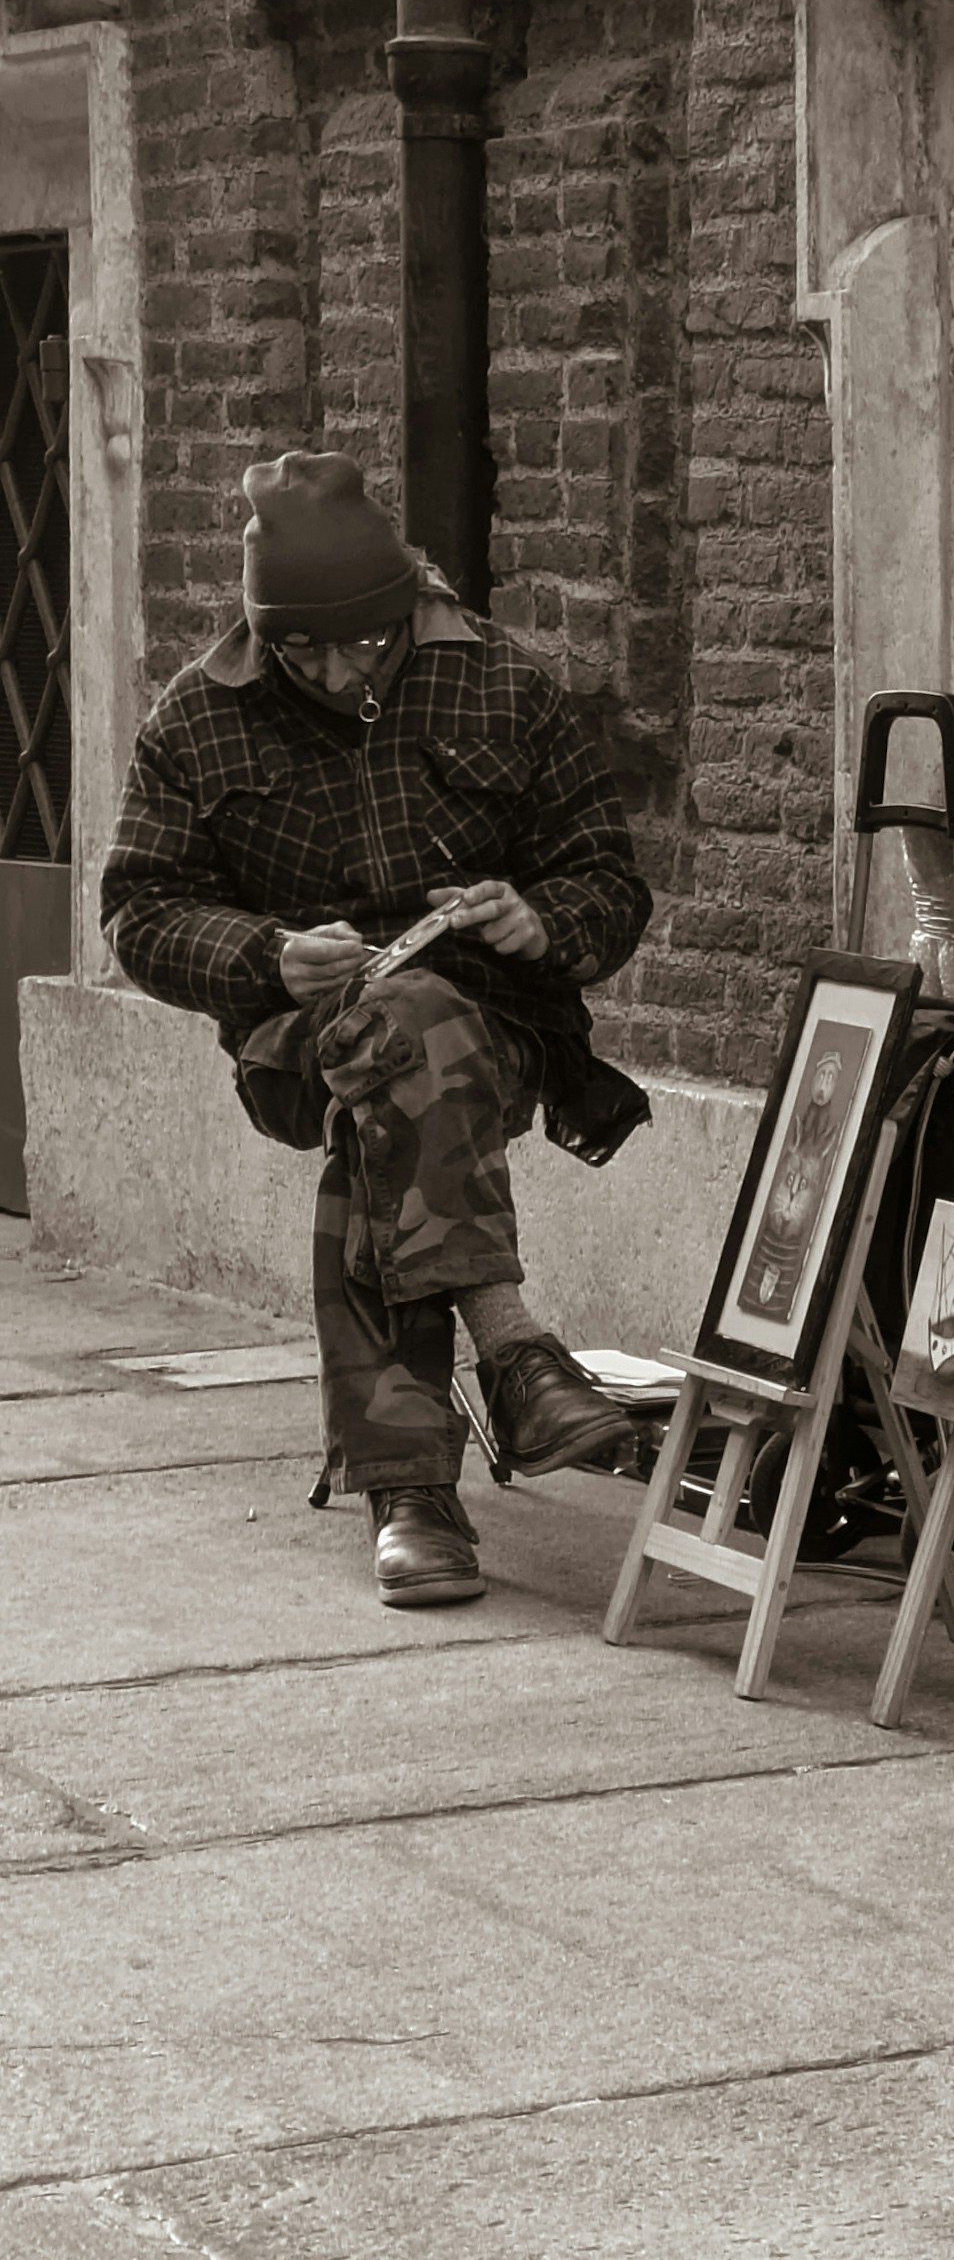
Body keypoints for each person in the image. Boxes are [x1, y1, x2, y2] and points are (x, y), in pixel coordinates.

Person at [100, 453, 654, 1611]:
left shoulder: (502, 681)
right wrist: (266, 957)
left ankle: (410, 1495)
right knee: (383, 1046)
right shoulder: (197, 717)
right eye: (304, 652)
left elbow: (607, 878)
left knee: (391, 1082)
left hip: (501, 1028)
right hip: (295, 1045)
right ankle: (511, 1347)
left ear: (403, 607)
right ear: (266, 635)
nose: (337, 670)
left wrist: (538, 919)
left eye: (363, 645)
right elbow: (138, 912)